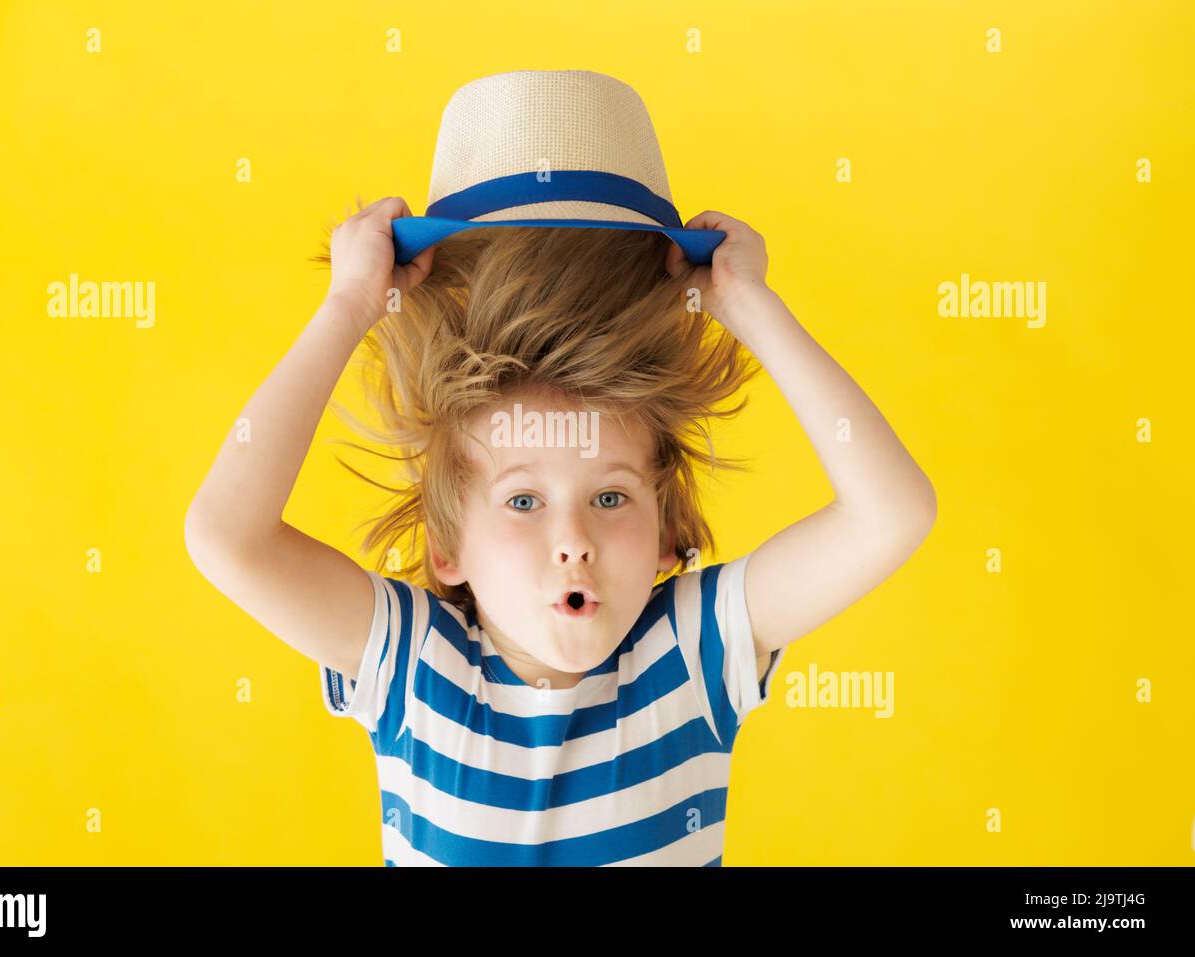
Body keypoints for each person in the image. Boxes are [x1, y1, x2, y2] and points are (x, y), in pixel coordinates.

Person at [184, 195, 936, 865]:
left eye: (610, 498)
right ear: (447, 548)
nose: (573, 538)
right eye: (522, 502)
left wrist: (750, 306)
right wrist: (348, 304)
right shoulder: (412, 665)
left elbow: (892, 514)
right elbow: (228, 536)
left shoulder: (693, 652)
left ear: (670, 535)